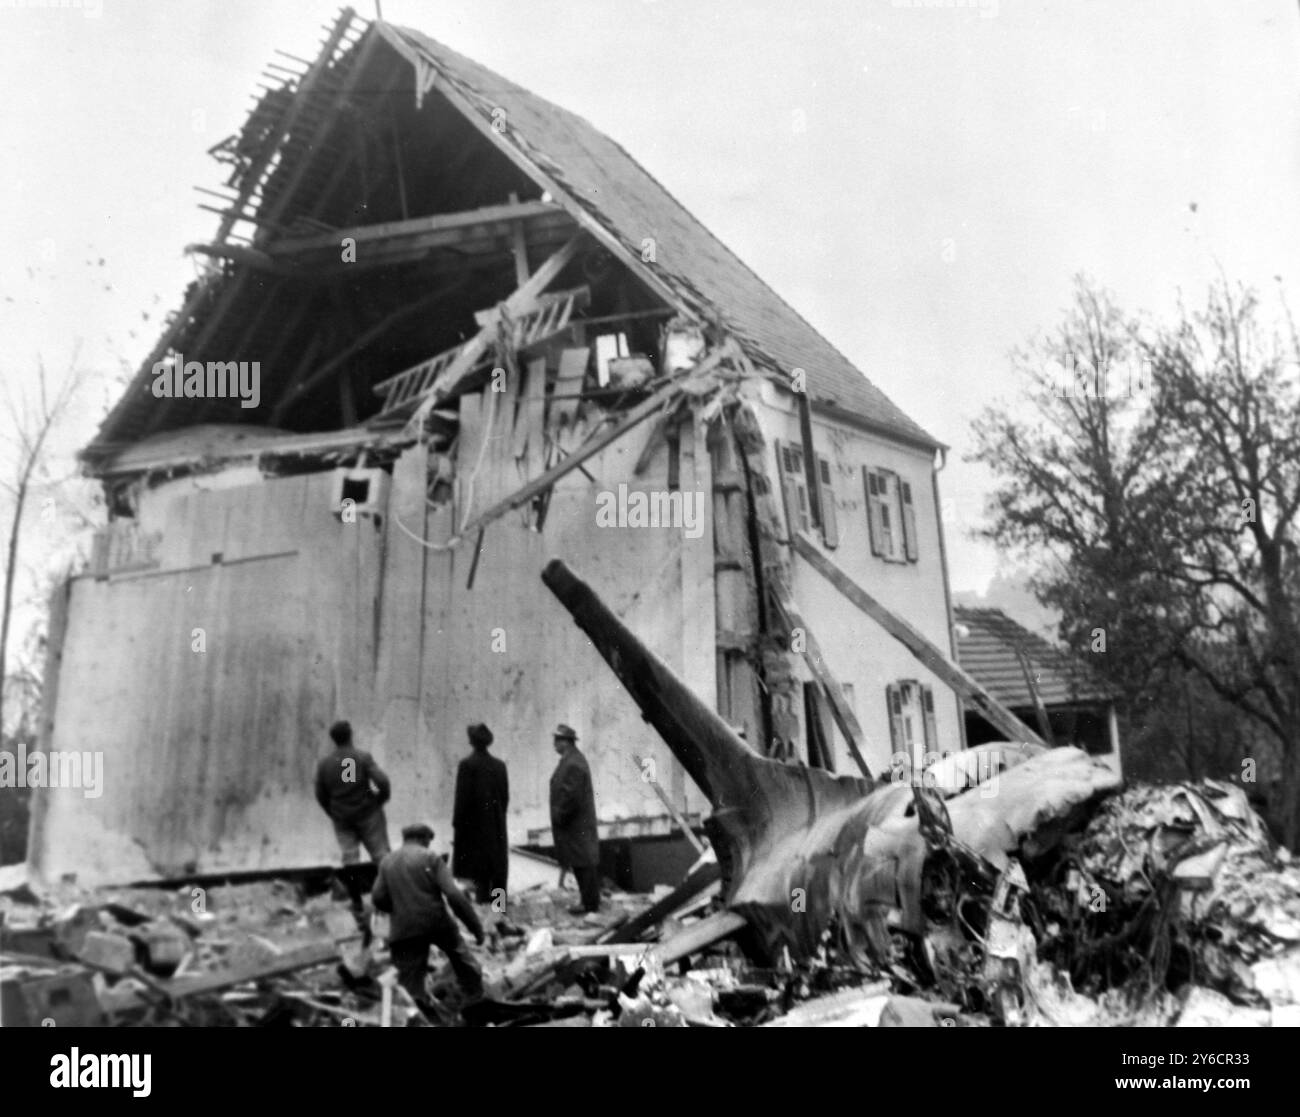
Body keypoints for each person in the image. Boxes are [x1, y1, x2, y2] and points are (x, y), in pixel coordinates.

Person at [372, 823, 485, 1011]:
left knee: (409, 986)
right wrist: (476, 928)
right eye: (428, 841)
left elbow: (377, 897)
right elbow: (454, 895)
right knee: (463, 959)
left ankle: (418, 1016)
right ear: (424, 839)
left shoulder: (387, 861)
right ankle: (476, 1003)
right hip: (436, 922)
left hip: (404, 929)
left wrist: (399, 909)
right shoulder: (430, 857)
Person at [314, 720, 391, 928]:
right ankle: (388, 902)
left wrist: (333, 812)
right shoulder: (362, 757)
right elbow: (382, 781)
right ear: (350, 735)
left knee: (350, 859)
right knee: (381, 855)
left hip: (342, 817)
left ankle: (357, 904)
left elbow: (320, 794)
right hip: (367, 813)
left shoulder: (325, 764)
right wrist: (380, 800)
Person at [452, 723, 510, 907]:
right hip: (497, 828)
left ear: (471, 742)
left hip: (474, 831)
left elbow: (462, 801)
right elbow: (505, 798)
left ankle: (485, 914)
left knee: (481, 876)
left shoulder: (467, 765)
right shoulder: (499, 766)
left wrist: (458, 828)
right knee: (498, 873)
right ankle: (499, 911)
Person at [548, 723, 602, 914]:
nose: (554, 743)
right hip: (575, 825)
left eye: (557, 740)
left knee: (584, 864)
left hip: (576, 825)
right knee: (581, 863)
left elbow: (571, 795)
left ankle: (590, 905)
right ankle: (588, 903)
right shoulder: (570, 760)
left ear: (566, 742)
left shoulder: (573, 763)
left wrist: (559, 815)